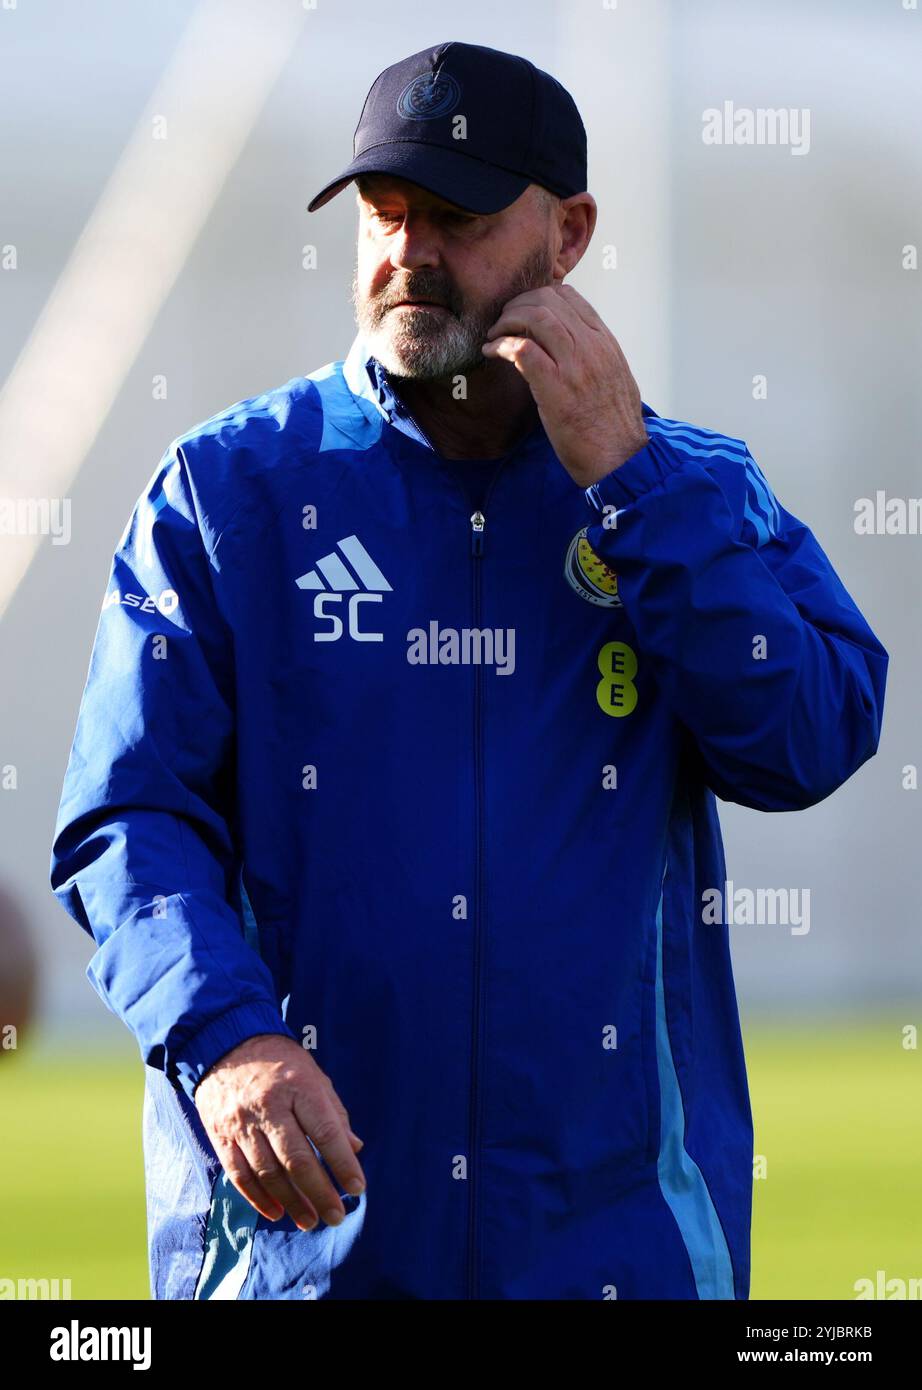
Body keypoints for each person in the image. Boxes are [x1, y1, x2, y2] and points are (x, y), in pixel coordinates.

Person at [49, 40, 888, 1301]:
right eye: (386, 215)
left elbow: (808, 739)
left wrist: (629, 485)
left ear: (571, 232)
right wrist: (227, 1039)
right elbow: (125, 815)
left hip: (618, 1255)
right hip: (305, 1256)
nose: (409, 255)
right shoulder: (230, 493)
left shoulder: (691, 487)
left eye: (459, 217)